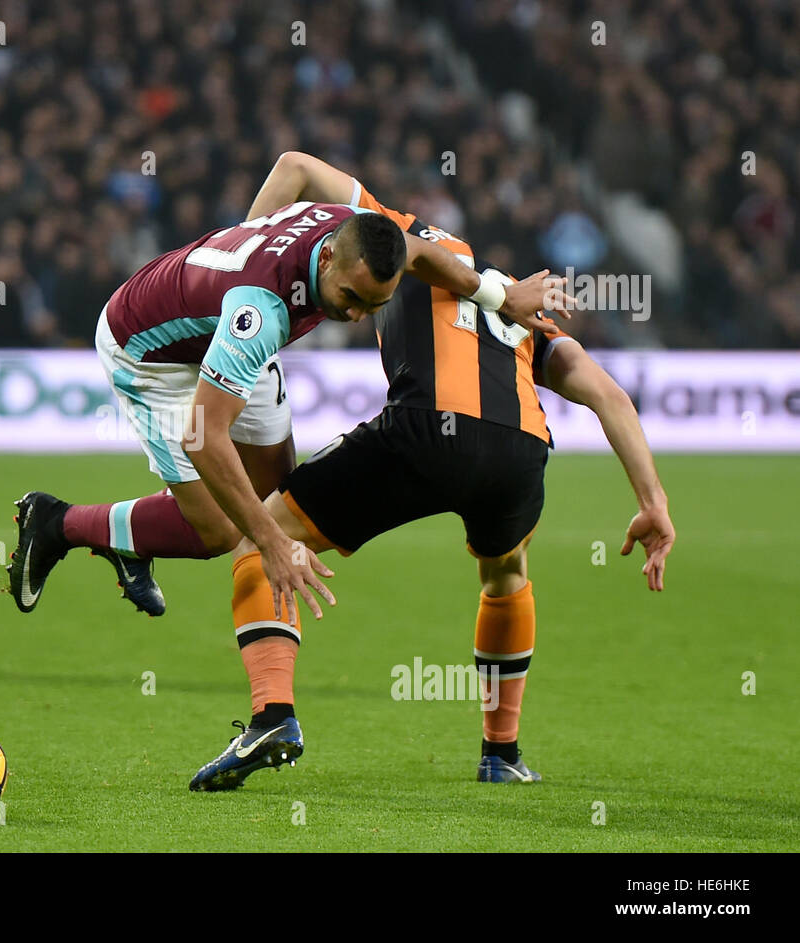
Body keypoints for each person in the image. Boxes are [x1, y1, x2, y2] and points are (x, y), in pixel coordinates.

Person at [186, 154, 676, 790]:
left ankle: (272, 715)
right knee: (505, 576)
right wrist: (653, 501)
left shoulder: (393, 238)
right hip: (519, 453)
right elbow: (607, 395)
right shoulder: (516, 301)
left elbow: (295, 167)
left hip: (424, 433)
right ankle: (501, 755)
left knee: (262, 537)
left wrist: (244, 258)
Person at [6, 154, 565, 620]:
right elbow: (207, 439)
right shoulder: (261, 308)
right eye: (350, 298)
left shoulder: (352, 230)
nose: (356, 315)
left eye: (376, 305)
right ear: (327, 261)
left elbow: (310, 176)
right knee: (221, 529)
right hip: (149, 352)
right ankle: (56, 522)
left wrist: (496, 296)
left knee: (271, 496)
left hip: (223, 332)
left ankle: (138, 538)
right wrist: (274, 546)